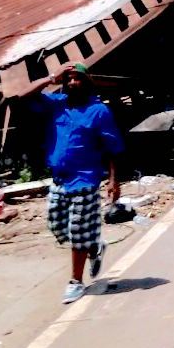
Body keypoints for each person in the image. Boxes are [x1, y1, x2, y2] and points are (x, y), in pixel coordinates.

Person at [29, 64, 124, 304]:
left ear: (87, 82)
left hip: (85, 179)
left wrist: (114, 180)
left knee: (77, 231)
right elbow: (22, 96)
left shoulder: (98, 111)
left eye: (77, 78)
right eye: (69, 79)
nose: (72, 83)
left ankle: (75, 282)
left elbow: (113, 148)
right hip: (60, 179)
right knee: (57, 226)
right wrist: (51, 77)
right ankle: (94, 247)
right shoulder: (56, 104)